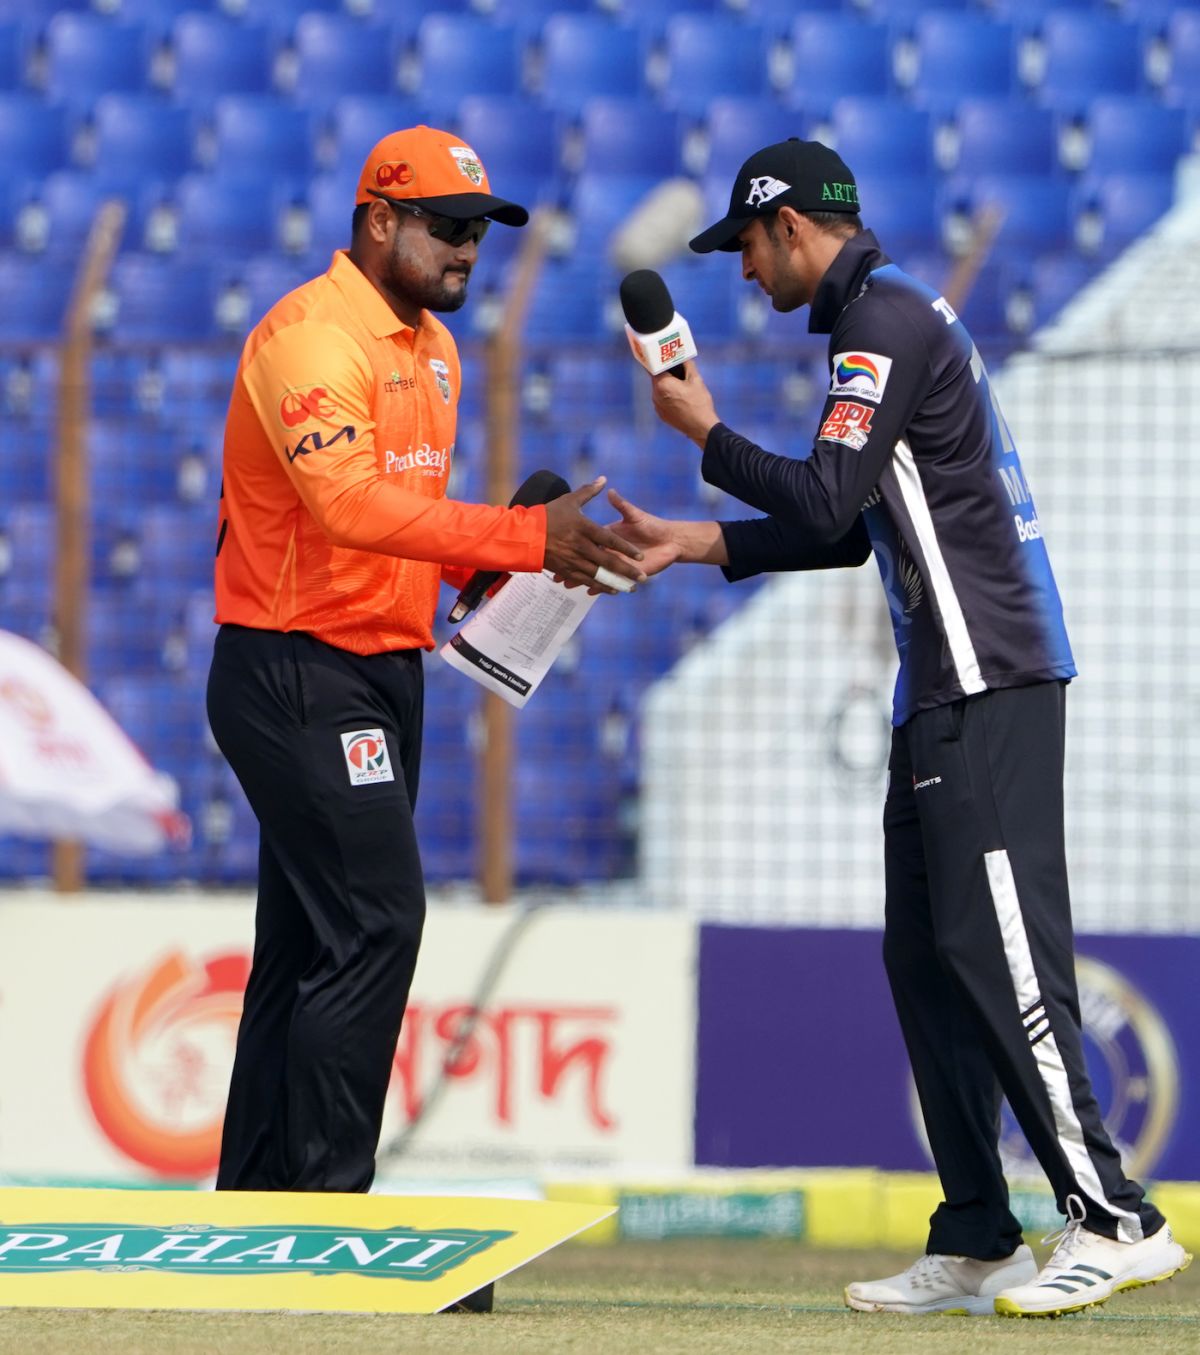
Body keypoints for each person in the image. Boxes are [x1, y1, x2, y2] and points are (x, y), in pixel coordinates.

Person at [608, 137, 1191, 1318]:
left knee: (1000, 951)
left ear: (786, 230)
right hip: (945, 687)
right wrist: (696, 536)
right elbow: (843, 528)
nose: (743, 277)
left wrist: (705, 434)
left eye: (747, 251)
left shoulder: (878, 319)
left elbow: (826, 497)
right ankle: (977, 1230)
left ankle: (1116, 1216)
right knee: (926, 958)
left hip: (986, 682)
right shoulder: (879, 316)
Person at [207, 126, 645, 1220]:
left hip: (380, 668)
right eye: (449, 228)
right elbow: (346, 505)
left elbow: (400, 533)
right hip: (294, 664)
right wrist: (517, 537)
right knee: (378, 920)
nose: (467, 251)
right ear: (378, 221)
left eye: (481, 233)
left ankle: (254, 1208)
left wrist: (526, 563)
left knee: (307, 940)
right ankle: (326, 1211)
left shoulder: (435, 350)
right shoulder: (308, 336)